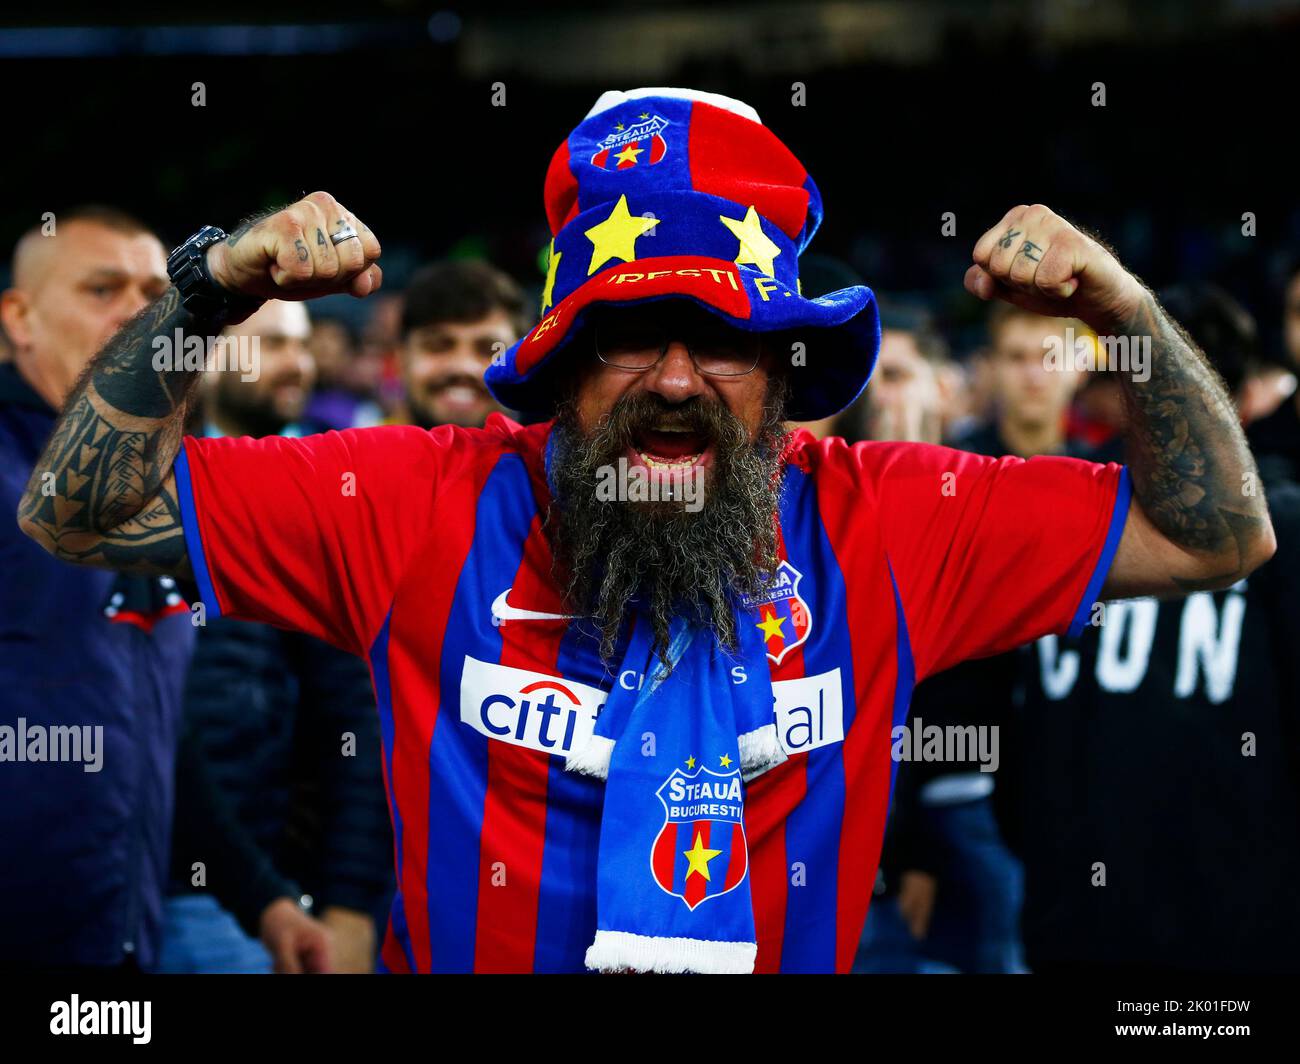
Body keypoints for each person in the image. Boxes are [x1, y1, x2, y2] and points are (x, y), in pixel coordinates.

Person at [18, 88, 1275, 974]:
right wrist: (207, 285)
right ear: (562, 359)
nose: (676, 378)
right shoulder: (417, 499)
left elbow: (1211, 533)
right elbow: (80, 511)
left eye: (722, 337)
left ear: (783, 369)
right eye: (630, 333)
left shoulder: (885, 517)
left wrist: (1119, 303)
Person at [0, 207, 319, 971]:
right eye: (102, 288)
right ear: (19, 317)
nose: (134, 316)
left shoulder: (163, 490)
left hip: (122, 944)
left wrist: (262, 898)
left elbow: (152, 731)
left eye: (152, 294)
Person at [1000, 283, 1300, 974]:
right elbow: (1011, 738)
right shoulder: (1058, 507)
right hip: (1076, 923)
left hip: (1233, 937)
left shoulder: (1285, 529)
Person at [161, 300, 392, 974]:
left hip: (261, 900)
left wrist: (347, 904)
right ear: (204, 360)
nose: (294, 362)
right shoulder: (143, 500)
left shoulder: (331, 494)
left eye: (299, 344)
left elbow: (358, 716)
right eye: (268, 344)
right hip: (133, 879)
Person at [391, 260, 529, 430]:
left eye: (490, 350)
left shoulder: (546, 456)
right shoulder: (355, 452)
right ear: (400, 359)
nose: (464, 367)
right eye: (438, 346)